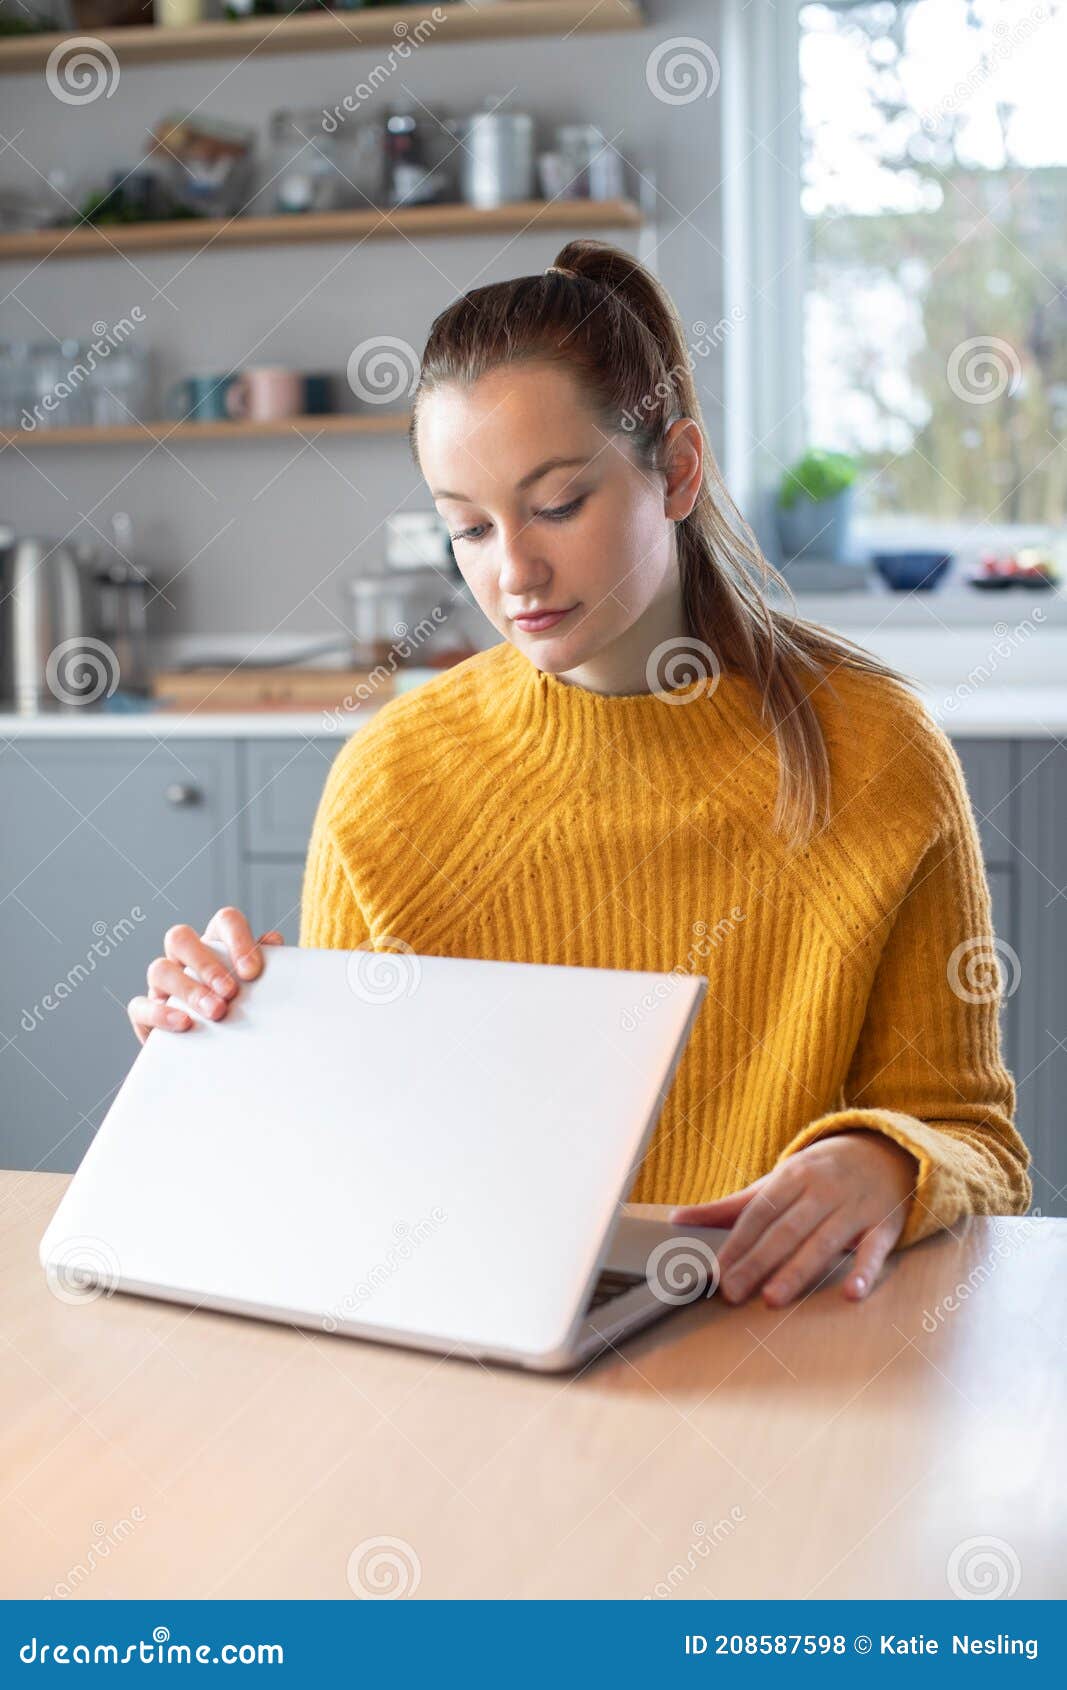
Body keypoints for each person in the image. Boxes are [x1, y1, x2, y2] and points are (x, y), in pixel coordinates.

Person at [127, 239, 1031, 1311]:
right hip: (482, 1339)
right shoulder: (393, 776)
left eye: (556, 505)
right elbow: (346, 1165)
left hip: (777, 1340)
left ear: (677, 471)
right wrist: (230, 1051)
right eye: (467, 527)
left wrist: (886, 1162)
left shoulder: (875, 750)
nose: (512, 571)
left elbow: (975, 1140)